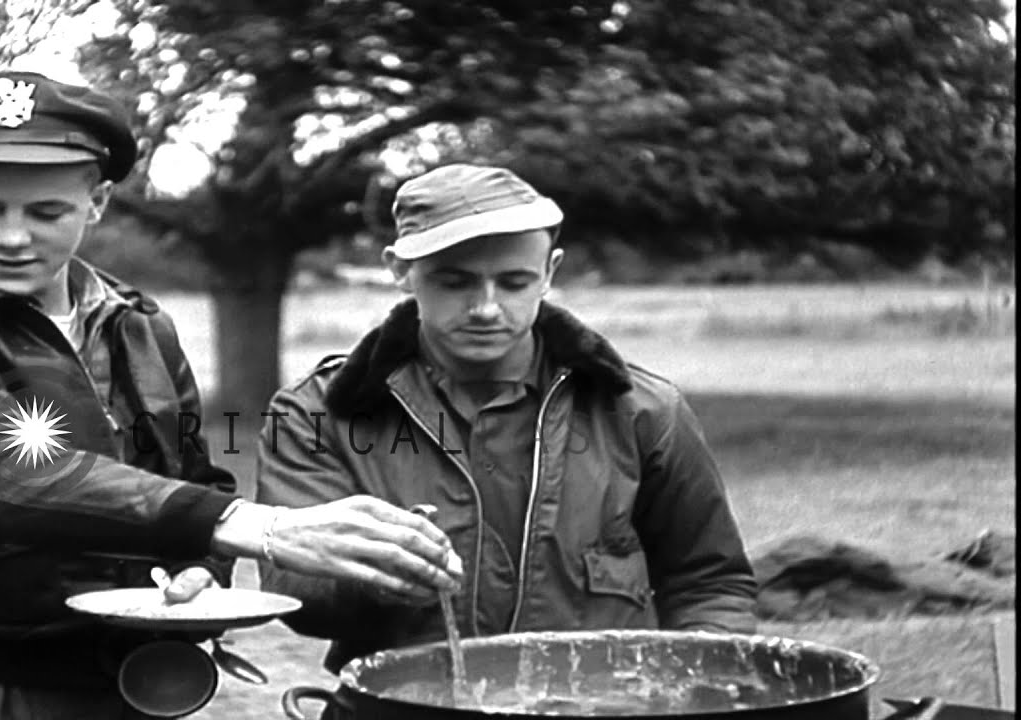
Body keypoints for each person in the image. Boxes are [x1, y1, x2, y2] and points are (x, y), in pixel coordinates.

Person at [0, 71, 462, 720]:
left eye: (46, 212)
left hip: (114, 690)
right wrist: (261, 528)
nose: (11, 237)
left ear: (96, 202)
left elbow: (190, 477)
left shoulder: (140, 324)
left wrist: (199, 570)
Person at [257, 164, 758, 678]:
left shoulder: (644, 410)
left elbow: (709, 584)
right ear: (400, 269)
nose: (486, 308)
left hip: (606, 710)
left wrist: (698, 685)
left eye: (514, 282)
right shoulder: (315, 414)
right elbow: (296, 594)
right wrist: (368, 574)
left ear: (550, 271)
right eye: (455, 282)